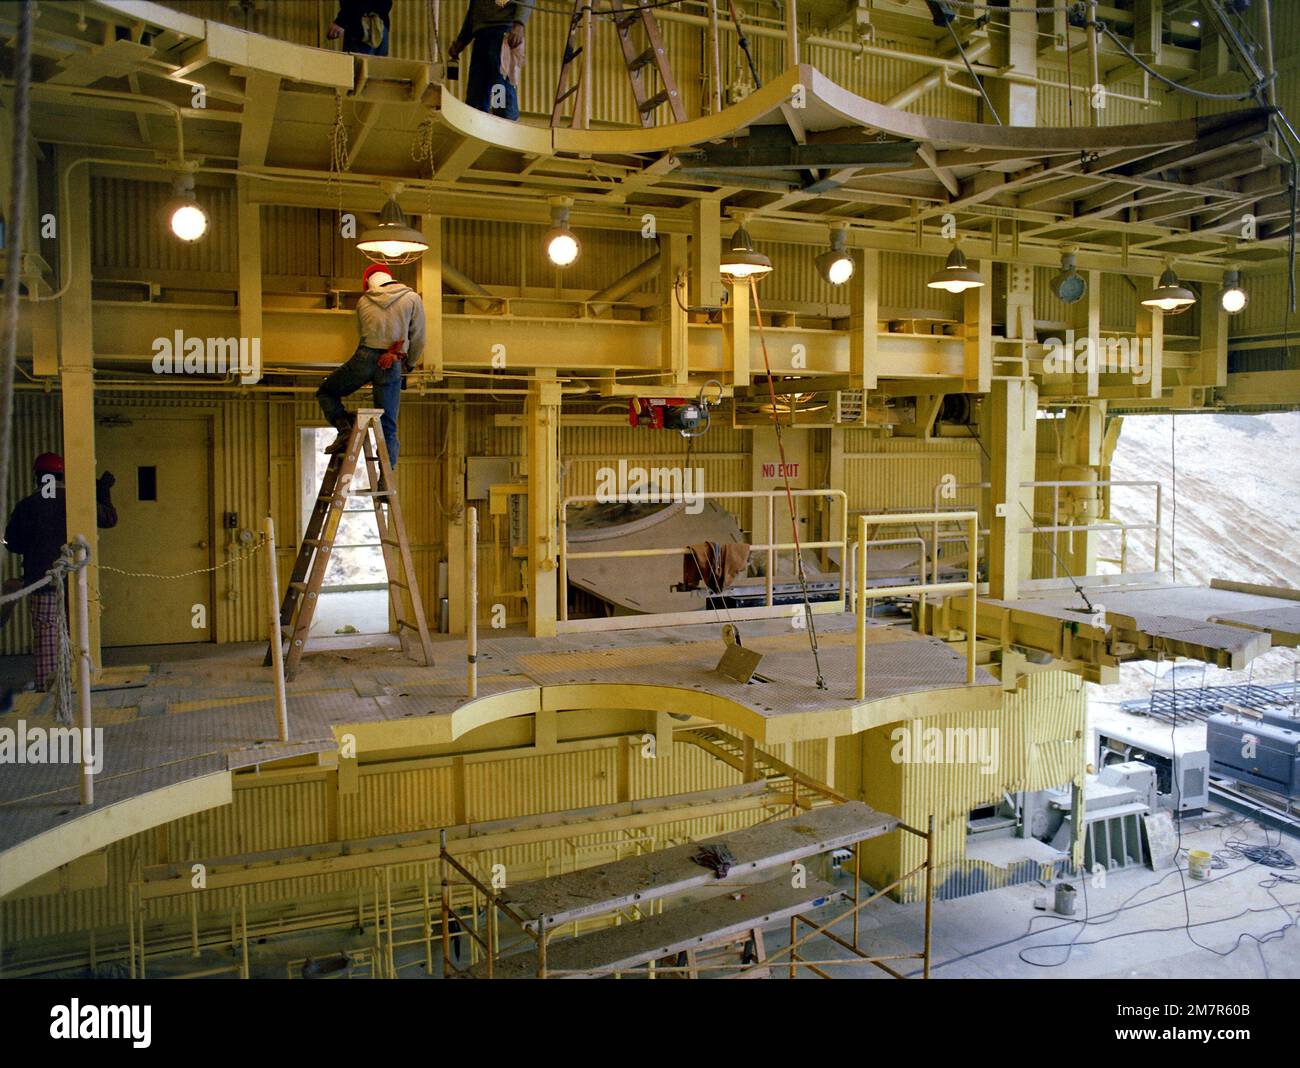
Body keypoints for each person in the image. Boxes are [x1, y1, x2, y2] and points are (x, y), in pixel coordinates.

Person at [3, 454, 118, 691]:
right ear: (62, 475)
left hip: (42, 581)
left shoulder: (27, 506)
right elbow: (109, 519)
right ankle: (80, 684)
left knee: (46, 636)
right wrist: (102, 490)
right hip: (77, 581)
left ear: (37, 478)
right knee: (80, 632)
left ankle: (49, 689)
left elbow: (12, 543)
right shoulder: (74, 501)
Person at [316, 264, 425, 468]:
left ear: (368, 283)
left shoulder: (363, 301)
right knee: (389, 425)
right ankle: (387, 474)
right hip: (391, 363)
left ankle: (345, 428)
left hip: (364, 357)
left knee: (326, 392)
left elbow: (361, 334)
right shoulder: (412, 298)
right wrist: (409, 364)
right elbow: (418, 337)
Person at [448, 0, 533, 121]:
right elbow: (473, 10)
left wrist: (519, 23)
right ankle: (476, 125)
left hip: (502, 32)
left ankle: (506, 124)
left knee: (500, 86)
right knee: (476, 92)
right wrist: (461, 41)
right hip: (481, 35)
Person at [327, 0, 392, 56]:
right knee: (377, 68)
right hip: (380, 25)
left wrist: (341, 21)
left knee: (356, 68)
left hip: (362, 27)